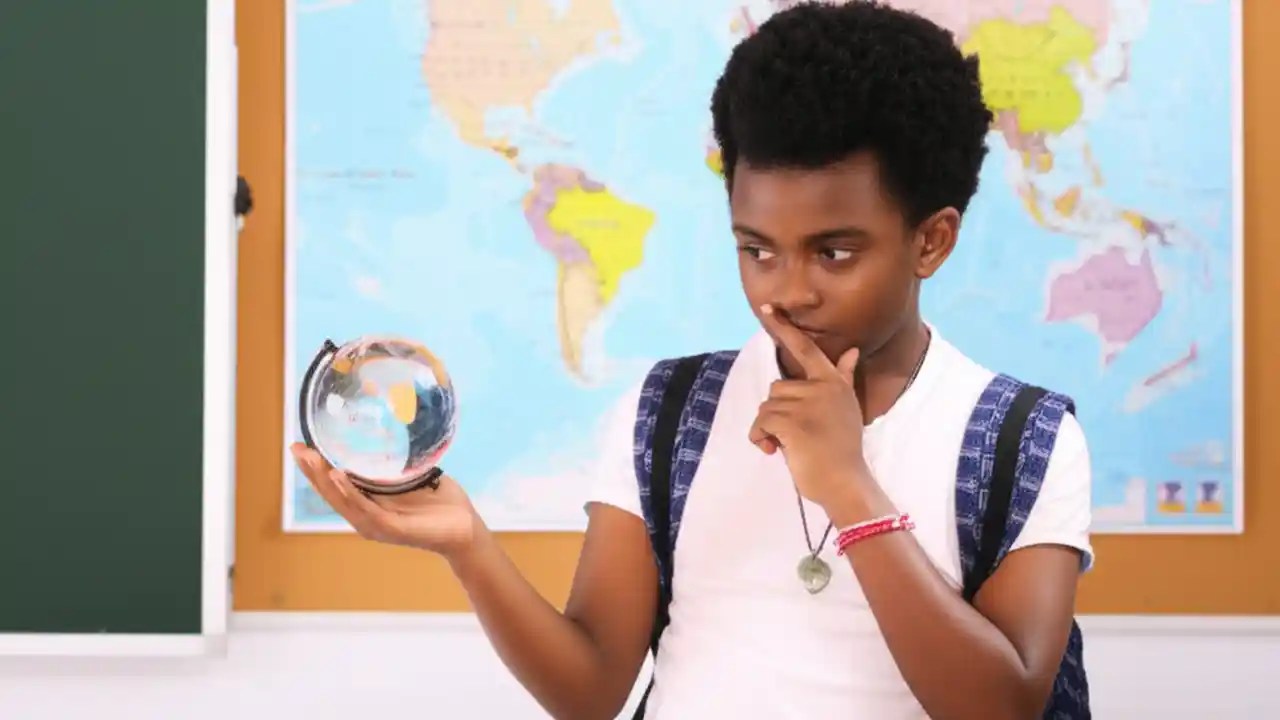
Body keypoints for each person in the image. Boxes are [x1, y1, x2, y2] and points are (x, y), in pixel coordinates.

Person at [290, 2, 1094, 718]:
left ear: (931, 240)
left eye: (835, 253)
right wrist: (467, 545)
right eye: (758, 250)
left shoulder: (1026, 437)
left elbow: (1002, 706)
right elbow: (590, 690)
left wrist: (850, 489)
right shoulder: (666, 409)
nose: (790, 292)